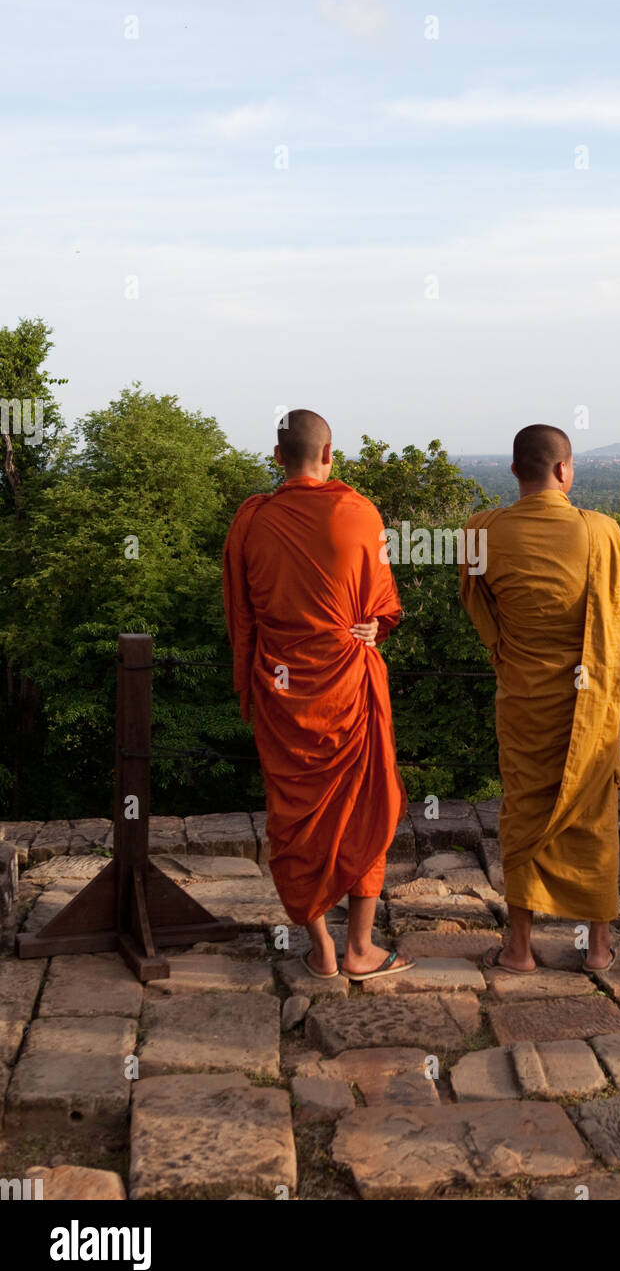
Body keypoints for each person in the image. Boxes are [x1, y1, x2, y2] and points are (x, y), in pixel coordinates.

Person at [222, 409, 414, 980]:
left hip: (284, 690)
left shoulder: (251, 521)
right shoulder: (358, 512)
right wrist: (373, 627)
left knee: (293, 814)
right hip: (348, 686)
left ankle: (321, 949)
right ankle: (360, 948)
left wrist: (251, 682)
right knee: (362, 806)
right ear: (329, 454)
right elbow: (382, 607)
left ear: (277, 457)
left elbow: (243, 617)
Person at [459, 424, 620, 973]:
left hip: (524, 698)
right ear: (564, 470)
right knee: (594, 813)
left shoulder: (479, 533)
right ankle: (598, 948)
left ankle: (518, 949)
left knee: (523, 811)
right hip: (590, 703)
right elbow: (619, 631)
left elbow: (478, 606)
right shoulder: (602, 532)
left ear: (515, 471)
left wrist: (507, 649)